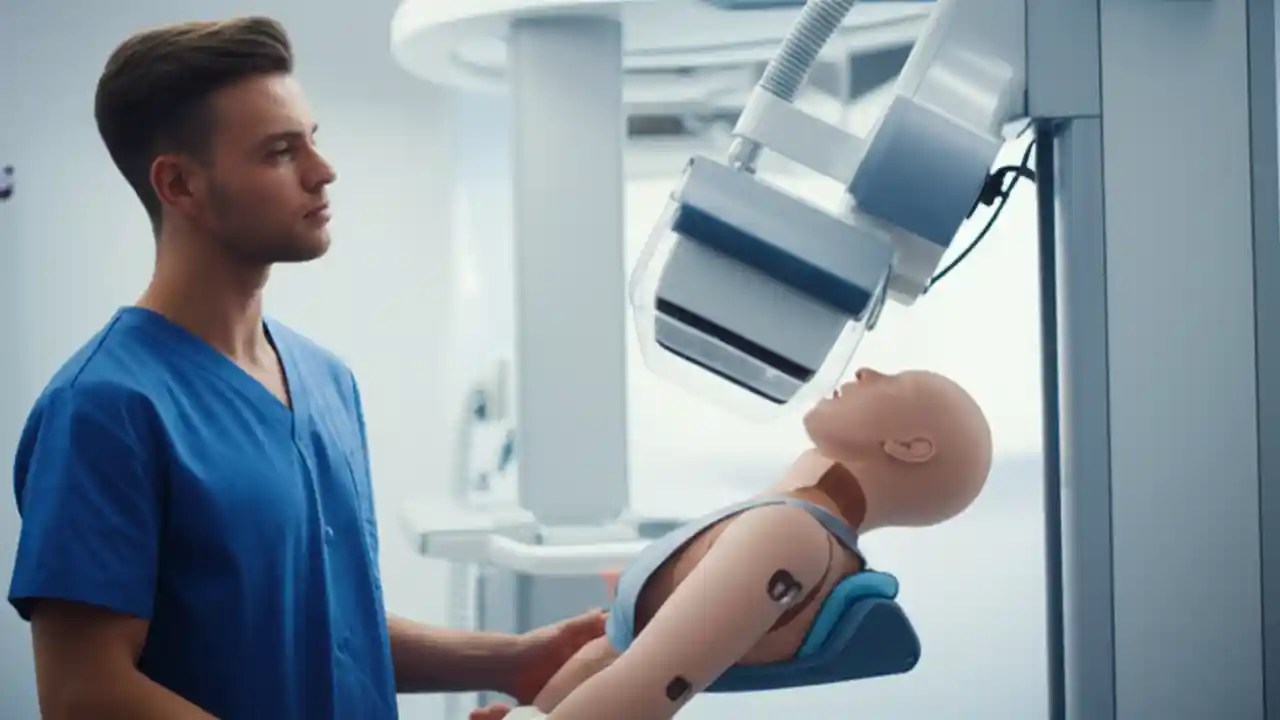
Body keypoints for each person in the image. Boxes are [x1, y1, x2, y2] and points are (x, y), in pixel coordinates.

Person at [6, 16, 603, 720]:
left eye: (313, 140)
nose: (323, 171)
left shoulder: (327, 381)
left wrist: (510, 661)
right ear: (180, 185)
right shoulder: (105, 408)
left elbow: (326, 626)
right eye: (281, 152)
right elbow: (87, 694)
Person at [475, 367, 994, 719]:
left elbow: (654, 683)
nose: (865, 373)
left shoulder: (792, 540)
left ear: (910, 446)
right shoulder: (794, 509)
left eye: (895, 383)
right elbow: (617, 658)